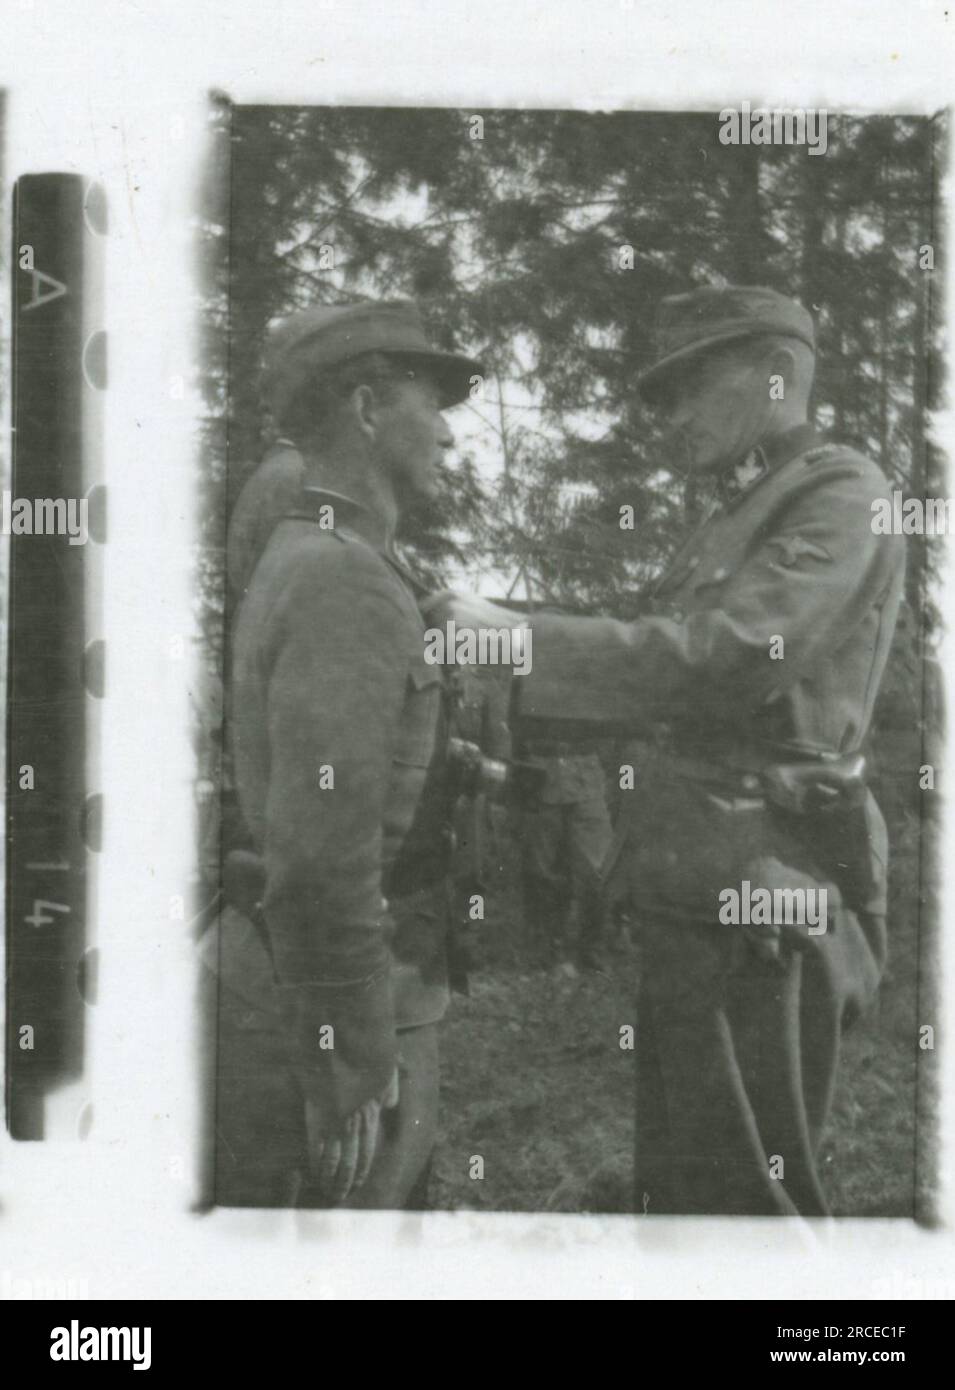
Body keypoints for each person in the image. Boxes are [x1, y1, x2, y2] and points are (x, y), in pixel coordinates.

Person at [428, 285, 905, 1216]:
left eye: (689, 387)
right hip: (701, 883)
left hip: (763, 890)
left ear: (776, 377)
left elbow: (728, 661)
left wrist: (519, 636)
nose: (669, 418)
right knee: (690, 1188)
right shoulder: (741, 511)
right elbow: (656, 676)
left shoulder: (844, 493)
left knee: (746, 1202)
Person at [200, 299, 483, 1209]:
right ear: (366, 410)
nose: (445, 430)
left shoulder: (311, 553)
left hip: (282, 987)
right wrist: (347, 1056)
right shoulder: (346, 580)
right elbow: (324, 856)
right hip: (331, 1011)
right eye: (428, 404)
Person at [515, 737, 612, 970]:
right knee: (541, 871)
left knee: (597, 871)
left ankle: (591, 950)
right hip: (541, 774)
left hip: (587, 778)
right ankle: (543, 949)